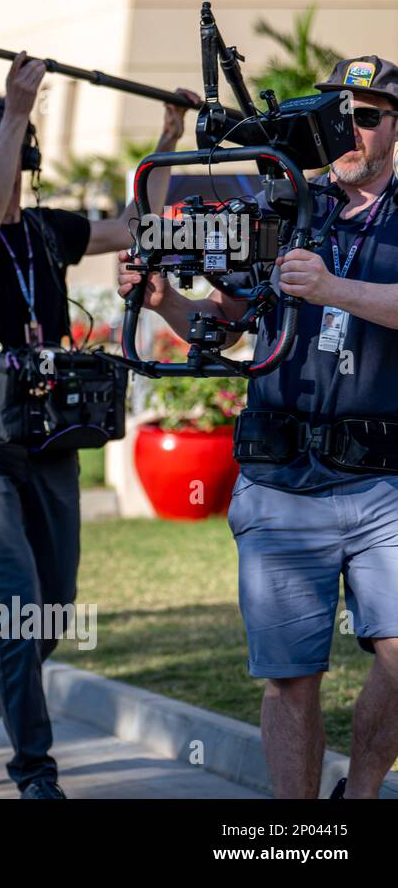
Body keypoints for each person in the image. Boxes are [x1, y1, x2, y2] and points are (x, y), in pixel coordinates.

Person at [118, 56, 398, 799]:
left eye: (367, 116)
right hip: (280, 475)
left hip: (383, 480)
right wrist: (162, 303)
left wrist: (333, 287)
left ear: (395, 129)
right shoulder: (278, 204)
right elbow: (227, 323)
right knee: (290, 677)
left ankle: (361, 792)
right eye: (337, 115)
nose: (350, 131)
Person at [0, 51, 198, 798]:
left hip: (47, 437)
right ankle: (35, 771)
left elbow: (138, 224)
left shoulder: (50, 231)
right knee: (16, 598)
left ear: (29, 158)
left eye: (6, 141)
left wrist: (169, 137)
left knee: (51, 614)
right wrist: (15, 108)